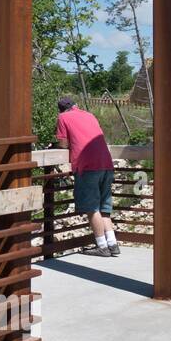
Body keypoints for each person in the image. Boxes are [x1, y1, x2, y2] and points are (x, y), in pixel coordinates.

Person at [53, 96, 118, 257]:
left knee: (92, 207)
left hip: (87, 166)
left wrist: (54, 145)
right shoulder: (89, 115)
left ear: (61, 109)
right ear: (76, 106)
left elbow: (63, 144)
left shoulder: (63, 117)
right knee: (104, 207)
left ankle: (102, 246)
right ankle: (113, 244)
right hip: (106, 163)